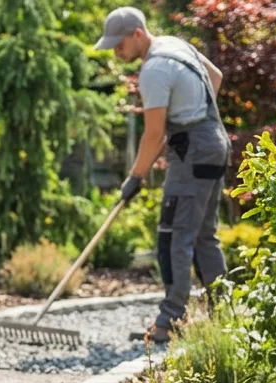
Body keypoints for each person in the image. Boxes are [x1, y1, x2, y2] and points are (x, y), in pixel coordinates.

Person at [97, 6, 228, 344]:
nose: (116, 52)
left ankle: (169, 323)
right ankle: (225, 318)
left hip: (192, 153)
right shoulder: (176, 44)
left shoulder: (153, 69)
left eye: (119, 45)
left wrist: (135, 177)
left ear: (137, 34)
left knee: (174, 238)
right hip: (214, 142)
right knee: (203, 237)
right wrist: (194, 111)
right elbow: (215, 77)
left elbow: (153, 134)